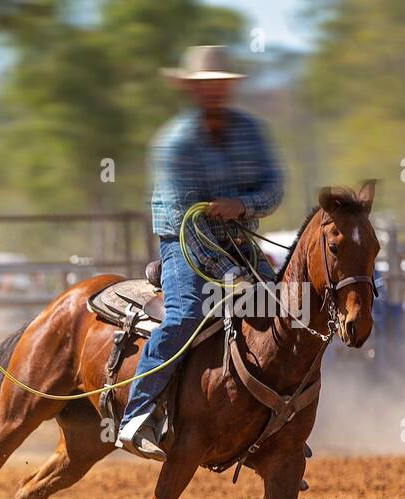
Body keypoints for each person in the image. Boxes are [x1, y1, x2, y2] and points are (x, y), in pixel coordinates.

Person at [117, 46, 284, 460]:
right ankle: (136, 417)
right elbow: (183, 217)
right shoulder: (175, 142)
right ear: (191, 90)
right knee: (186, 314)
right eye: (205, 87)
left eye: (220, 86)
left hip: (238, 236)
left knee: (284, 309)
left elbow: (273, 188)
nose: (213, 93)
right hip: (183, 240)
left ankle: (278, 421)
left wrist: (242, 206)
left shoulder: (250, 132)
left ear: (229, 88)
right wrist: (229, 272)